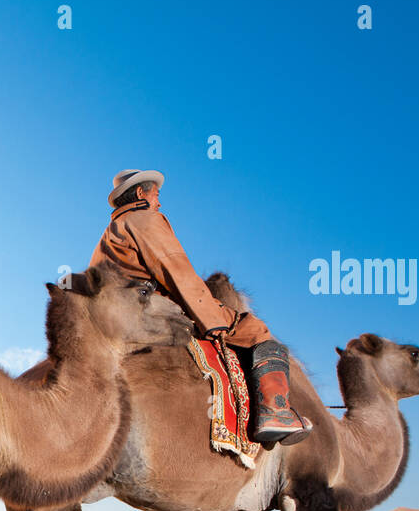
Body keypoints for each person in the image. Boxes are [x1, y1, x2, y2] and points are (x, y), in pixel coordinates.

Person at [90, 168, 311, 446]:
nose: (159, 201)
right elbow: (176, 270)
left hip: (109, 314)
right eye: (156, 194)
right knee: (255, 330)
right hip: (145, 310)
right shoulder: (146, 219)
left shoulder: (110, 231)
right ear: (140, 194)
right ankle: (276, 413)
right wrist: (212, 319)